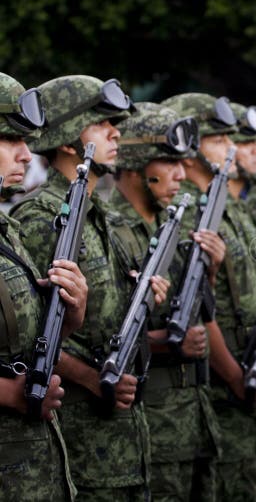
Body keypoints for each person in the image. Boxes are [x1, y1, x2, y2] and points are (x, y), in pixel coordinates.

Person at [11, 75, 165, 500]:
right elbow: (33, 337)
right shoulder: (44, 218)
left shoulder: (98, 216)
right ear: (66, 142)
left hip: (123, 439)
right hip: (82, 442)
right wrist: (92, 378)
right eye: (100, 124)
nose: (116, 132)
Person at [160, 92, 256, 500]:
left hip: (250, 365)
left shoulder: (224, 204)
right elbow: (201, 308)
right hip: (219, 380)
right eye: (219, 140)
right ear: (190, 148)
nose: (230, 148)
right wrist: (234, 374)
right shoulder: (187, 210)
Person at [111, 102, 225, 501]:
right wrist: (163, 341)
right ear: (137, 163)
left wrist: (209, 272)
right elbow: (100, 339)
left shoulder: (170, 224)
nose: (181, 174)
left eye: (184, 163)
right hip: (148, 425)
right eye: (169, 162)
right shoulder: (111, 231)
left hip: (190, 420)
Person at [0, 72, 88, 500]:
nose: (25, 154)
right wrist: (6, 392)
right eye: (9, 140)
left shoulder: (7, 229)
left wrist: (70, 319)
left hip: (35, 472)